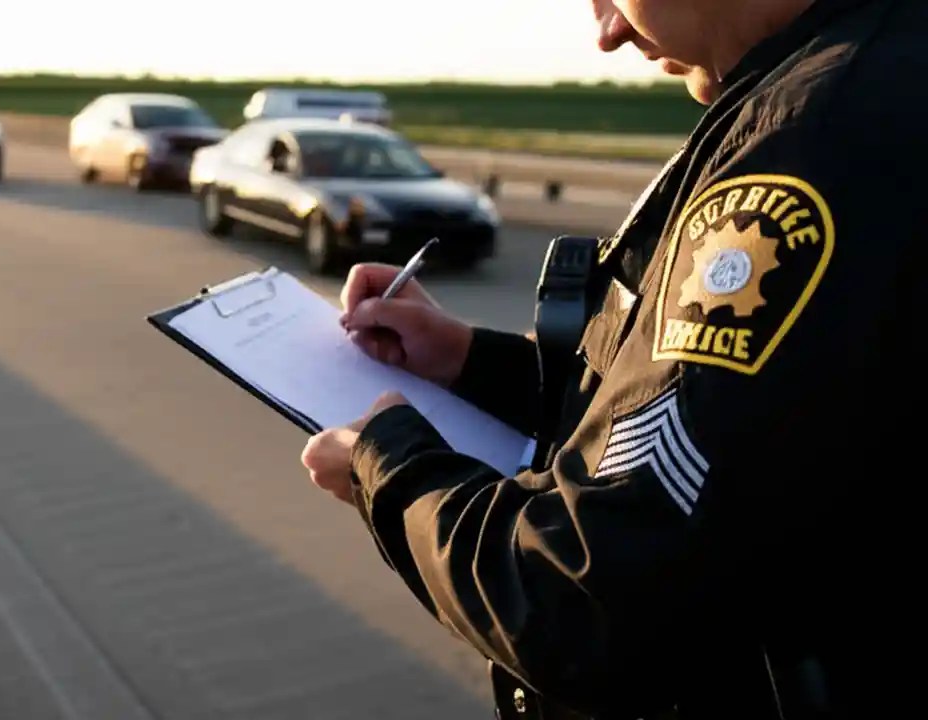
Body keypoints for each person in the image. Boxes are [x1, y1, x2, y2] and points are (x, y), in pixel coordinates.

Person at [300, 0, 920, 718]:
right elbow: (755, 415)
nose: (607, 32)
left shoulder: (816, 137)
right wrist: (472, 362)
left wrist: (385, 464)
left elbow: (583, 597)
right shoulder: (877, 76)